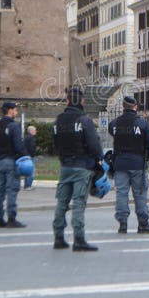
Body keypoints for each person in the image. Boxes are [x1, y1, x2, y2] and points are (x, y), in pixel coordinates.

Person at [52, 87, 102, 251]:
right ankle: (79, 239)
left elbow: (56, 144)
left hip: (65, 165)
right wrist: (98, 160)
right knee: (79, 203)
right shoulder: (84, 121)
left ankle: (58, 237)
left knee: (62, 202)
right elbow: (94, 146)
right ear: (82, 101)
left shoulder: (58, 121)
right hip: (82, 166)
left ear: (67, 101)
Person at [109, 96, 149, 234]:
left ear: (123, 107)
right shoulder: (143, 124)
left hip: (120, 164)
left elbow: (110, 130)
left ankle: (122, 223)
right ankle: (143, 223)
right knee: (140, 194)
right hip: (138, 164)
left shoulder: (115, 124)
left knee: (121, 194)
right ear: (135, 107)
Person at [0, 102, 27, 228]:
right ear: (10, 111)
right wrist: (24, 157)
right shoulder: (13, 126)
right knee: (12, 189)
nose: (16, 113)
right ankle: (11, 218)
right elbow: (18, 146)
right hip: (11, 160)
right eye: (15, 110)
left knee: (0, 190)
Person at [22, 125, 37, 191]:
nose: (36, 131)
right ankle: (28, 185)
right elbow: (31, 147)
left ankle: (27, 185)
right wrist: (33, 153)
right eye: (34, 130)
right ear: (31, 131)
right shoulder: (31, 138)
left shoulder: (26, 137)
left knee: (28, 171)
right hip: (30, 156)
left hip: (26, 155)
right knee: (30, 171)